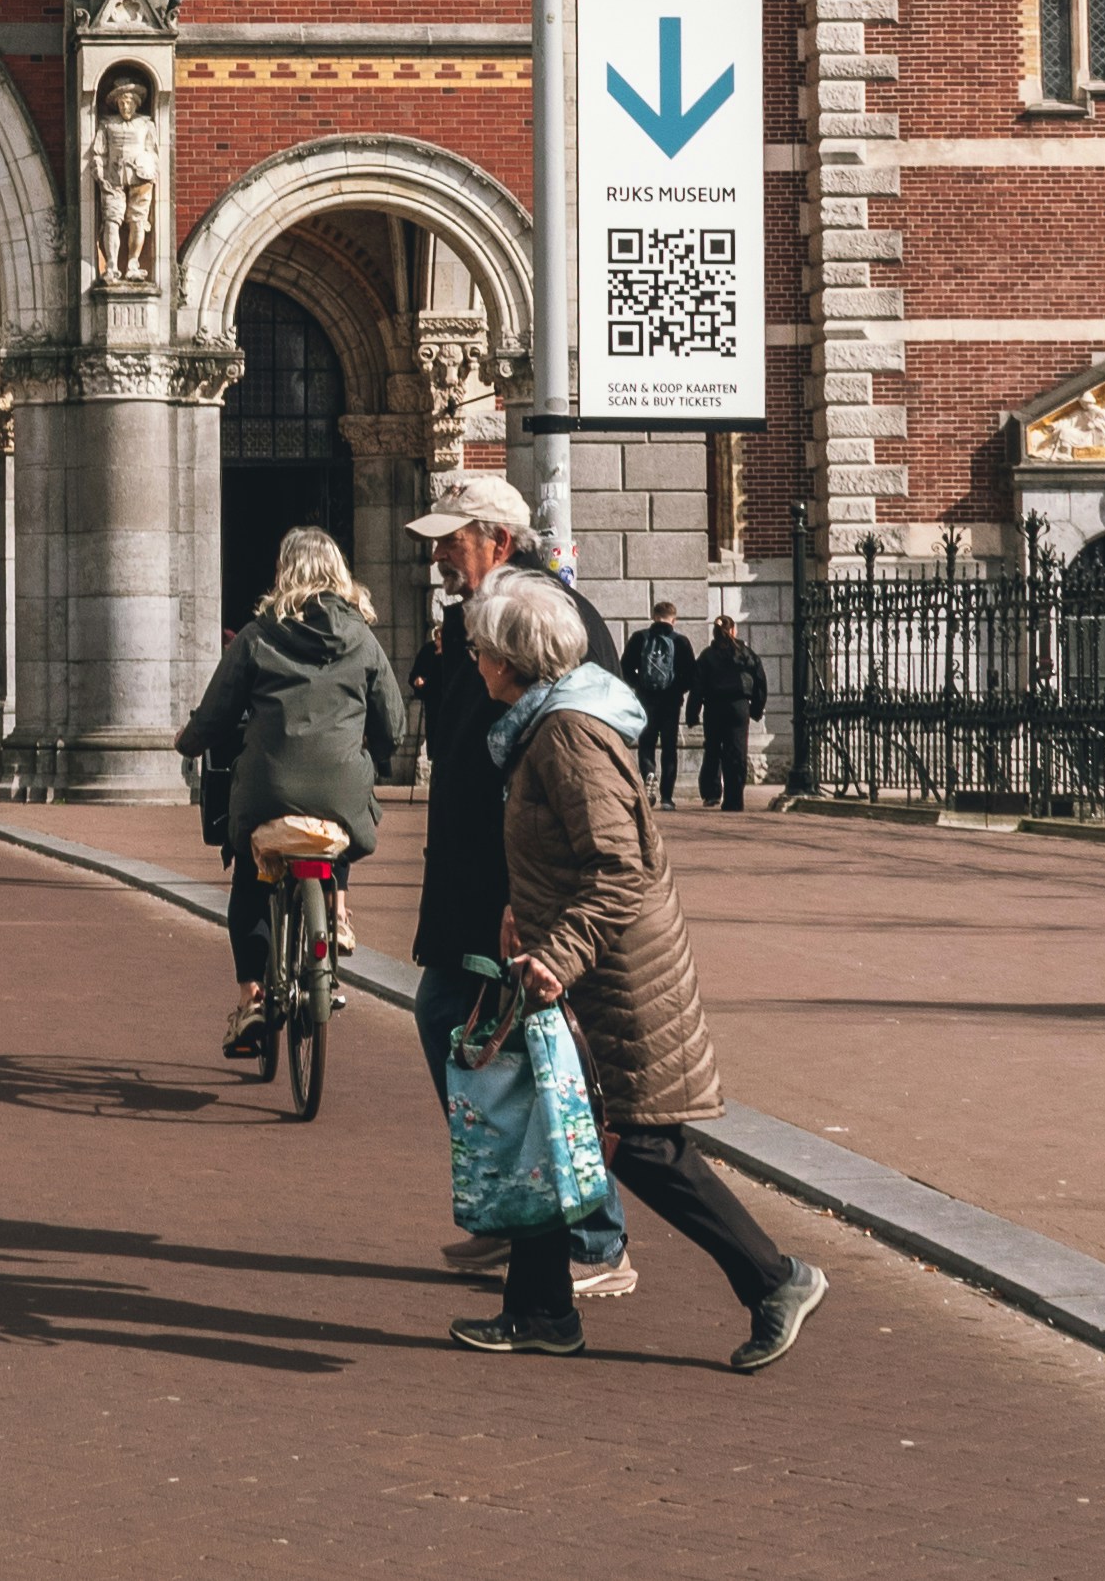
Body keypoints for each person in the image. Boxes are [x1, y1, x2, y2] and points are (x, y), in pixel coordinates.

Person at [450, 562, 828, 1371]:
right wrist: (528, 911)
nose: (474, 660)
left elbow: (619, 864)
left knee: (642, 1141)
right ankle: (541, 1309)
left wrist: (558, 948)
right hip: (583, 961)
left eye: (482, 648)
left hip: (617, 972)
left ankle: (775, 1278)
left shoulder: (566, 734)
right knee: (550, 1127)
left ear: (514, 657)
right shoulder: (545, 723)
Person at [407, 474, 632, 1300]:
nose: (437, 556)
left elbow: (577, 743)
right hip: (476, 879)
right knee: (472, 1034)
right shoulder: (473, 616)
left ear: (498, 539)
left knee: (542, 1056)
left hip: (513, 889)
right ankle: (522, 1214)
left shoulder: (545, 616)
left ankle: (591, 1235)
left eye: (451, 539)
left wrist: (529, 892)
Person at [179, 525, 405, 1062]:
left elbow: (215, 713)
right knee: (341, 810)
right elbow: (393, 724)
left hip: (267, 789)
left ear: (285, 572)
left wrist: (188, 740)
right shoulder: (363, 639)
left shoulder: (259, 635)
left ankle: (251, 996)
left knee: (248, 878)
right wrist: (365, 747)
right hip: (340, 793)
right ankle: (339, 914)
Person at [690, 608, 769, 808]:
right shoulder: (746, 654)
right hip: (739, 706)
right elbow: (760, 681)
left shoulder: (707, 656)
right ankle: (734, 799)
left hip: (714, 706)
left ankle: (711, 792)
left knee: (713, 749)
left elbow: (697, 687)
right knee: (737, 751)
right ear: (733, 631)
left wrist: (693, 713)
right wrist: (757, 709)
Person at [621, 598, 694, 810]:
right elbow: (690, 674)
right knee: (669, 747)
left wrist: (639, 686)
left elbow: (626, 667)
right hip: (671, 702)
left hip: (646, 700)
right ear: (674, 619)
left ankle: (648, 774)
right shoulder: (680, 641)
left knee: (646, 743)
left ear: (654, 616)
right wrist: (677, 690)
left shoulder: (639, 638)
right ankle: (667, 798)